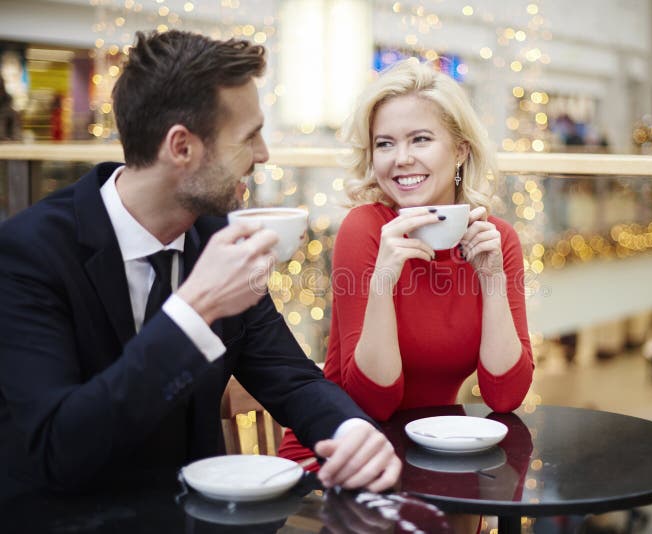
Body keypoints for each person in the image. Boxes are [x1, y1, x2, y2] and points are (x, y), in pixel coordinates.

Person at [0, 30, 400, 498]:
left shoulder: (215, 235)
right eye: (248, 137)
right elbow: (58, 446)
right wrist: (192, 311)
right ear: (181, 147)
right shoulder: (26, 254)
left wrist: (352, 432)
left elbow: (290, 380)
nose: (263, 155)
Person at [279, 58, 533, 464]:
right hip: (340, 455)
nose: (401, 159)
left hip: (435, 455)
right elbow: (374, 403)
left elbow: (505, 397)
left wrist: (492, 280)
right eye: (385, 143)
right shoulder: (364, 229)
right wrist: (384, 279)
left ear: (460, 150)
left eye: (420, 139)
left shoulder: (495, 240)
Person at [0, 76, 21, 141]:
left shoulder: (7, 95)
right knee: (3, 116)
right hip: (3, 112)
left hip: (4, 111)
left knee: (14, 114)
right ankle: (2, 135)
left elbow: (8, 103)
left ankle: (14, 135)